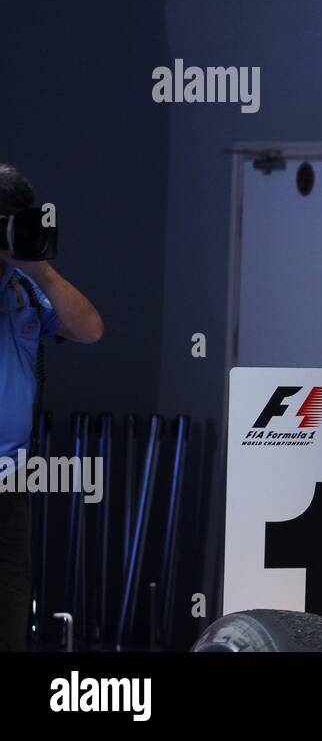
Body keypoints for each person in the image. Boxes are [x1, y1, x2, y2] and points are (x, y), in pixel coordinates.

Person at [0, 163, 104, 652]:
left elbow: (89, 329)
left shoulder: (24, 289)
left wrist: (37, 263)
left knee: (10, 621)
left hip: (9, 483)